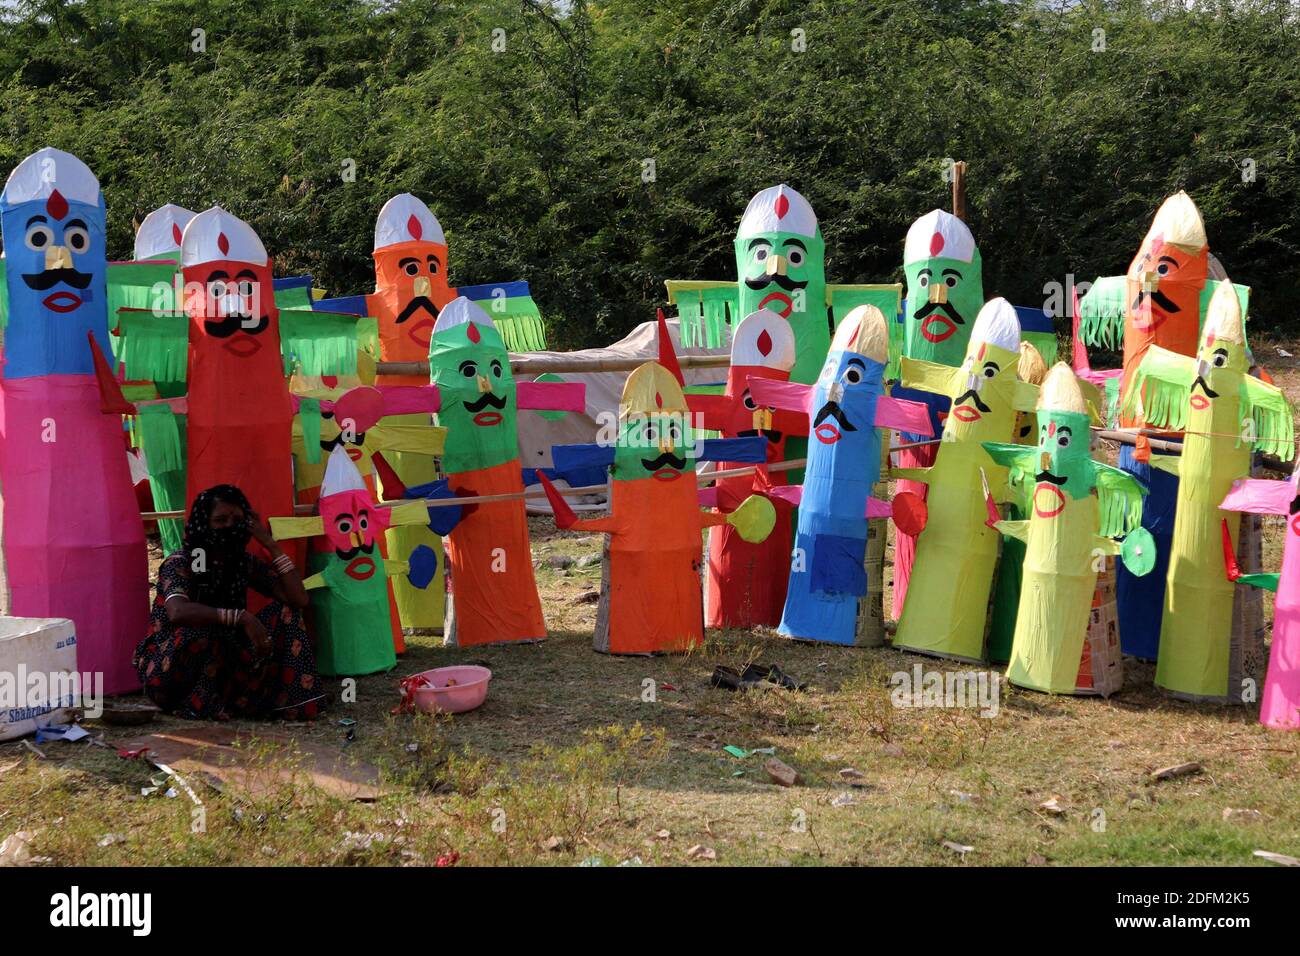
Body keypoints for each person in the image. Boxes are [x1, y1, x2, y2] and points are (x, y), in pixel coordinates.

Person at [134, 485, 324, 720]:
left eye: (236, 519)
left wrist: (269, 543)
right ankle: (199, 705)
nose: (229, 526)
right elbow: (177, 611)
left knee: (286, 614)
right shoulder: (181, 561)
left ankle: (297, 702)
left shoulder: (242, 563)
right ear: (204, 523)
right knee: (200, 633)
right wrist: (241, 617)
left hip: (224, 666)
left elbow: (299, 599)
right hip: (169, 670)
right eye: (220, 519)